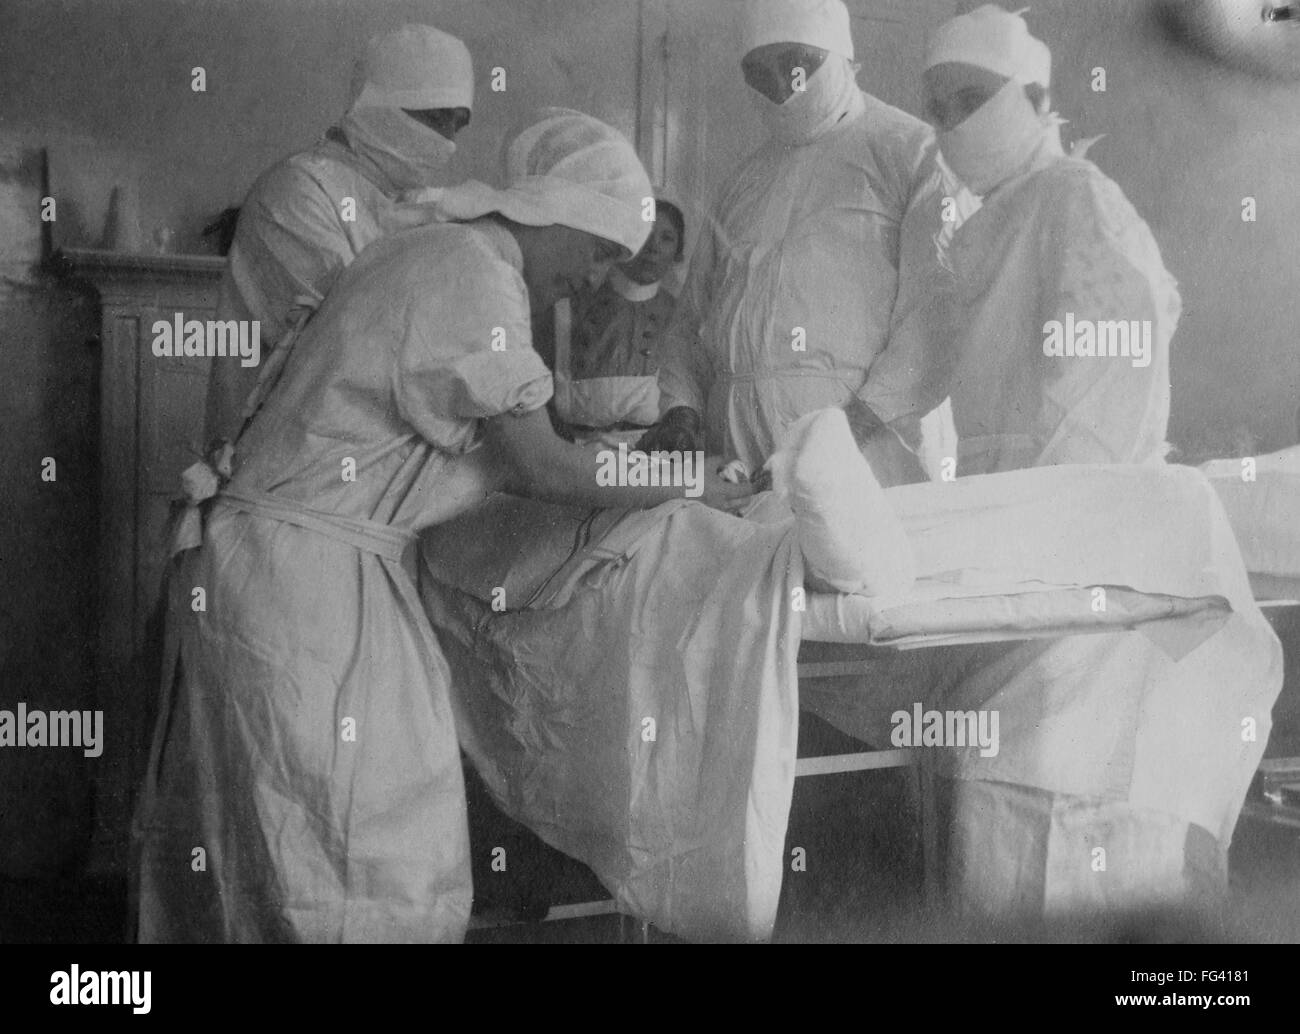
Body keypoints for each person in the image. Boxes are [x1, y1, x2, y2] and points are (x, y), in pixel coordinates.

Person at [134, 110, 753, 944]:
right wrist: (683, 480)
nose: (598, 277)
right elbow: (540, 466)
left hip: (290, 564)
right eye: (599, 251)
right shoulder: (473, 276)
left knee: (291, 849)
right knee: (358, 851)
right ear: (552, 213)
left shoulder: (436, 253)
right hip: (301, 583)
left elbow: (492, 447)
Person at [640, 0, 965, 484]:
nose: (778, 86)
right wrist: (682, 410)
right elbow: (690, 323)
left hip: (865, 456)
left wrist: (838, 441)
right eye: (757, 71)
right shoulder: (742, 182)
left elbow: (935, 322)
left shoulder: (912, 155)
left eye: (795, 64)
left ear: (839, 55)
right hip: (741, 461)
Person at [918, 4, 1181, 473]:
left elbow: (1101, 392)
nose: (954, 124)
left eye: (972, 100)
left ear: (1035, 99)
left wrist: (1045, 508)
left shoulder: (1076, 198)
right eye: (940, 111)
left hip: (1069, 497)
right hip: (1004, 494)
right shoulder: (994, 219)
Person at [203, 23, 475, 447]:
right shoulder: (298, 191)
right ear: (379, 105)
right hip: (281, 462)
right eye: (436, 117)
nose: (448, 142)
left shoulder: (417, 203)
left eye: (459, 124)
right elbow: (358, 344)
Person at [544, 197, 686, 439]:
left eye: (667, 238)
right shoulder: (569, 305)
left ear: (677, 252)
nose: (653, 247)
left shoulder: (681, 317)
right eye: (644, 233)